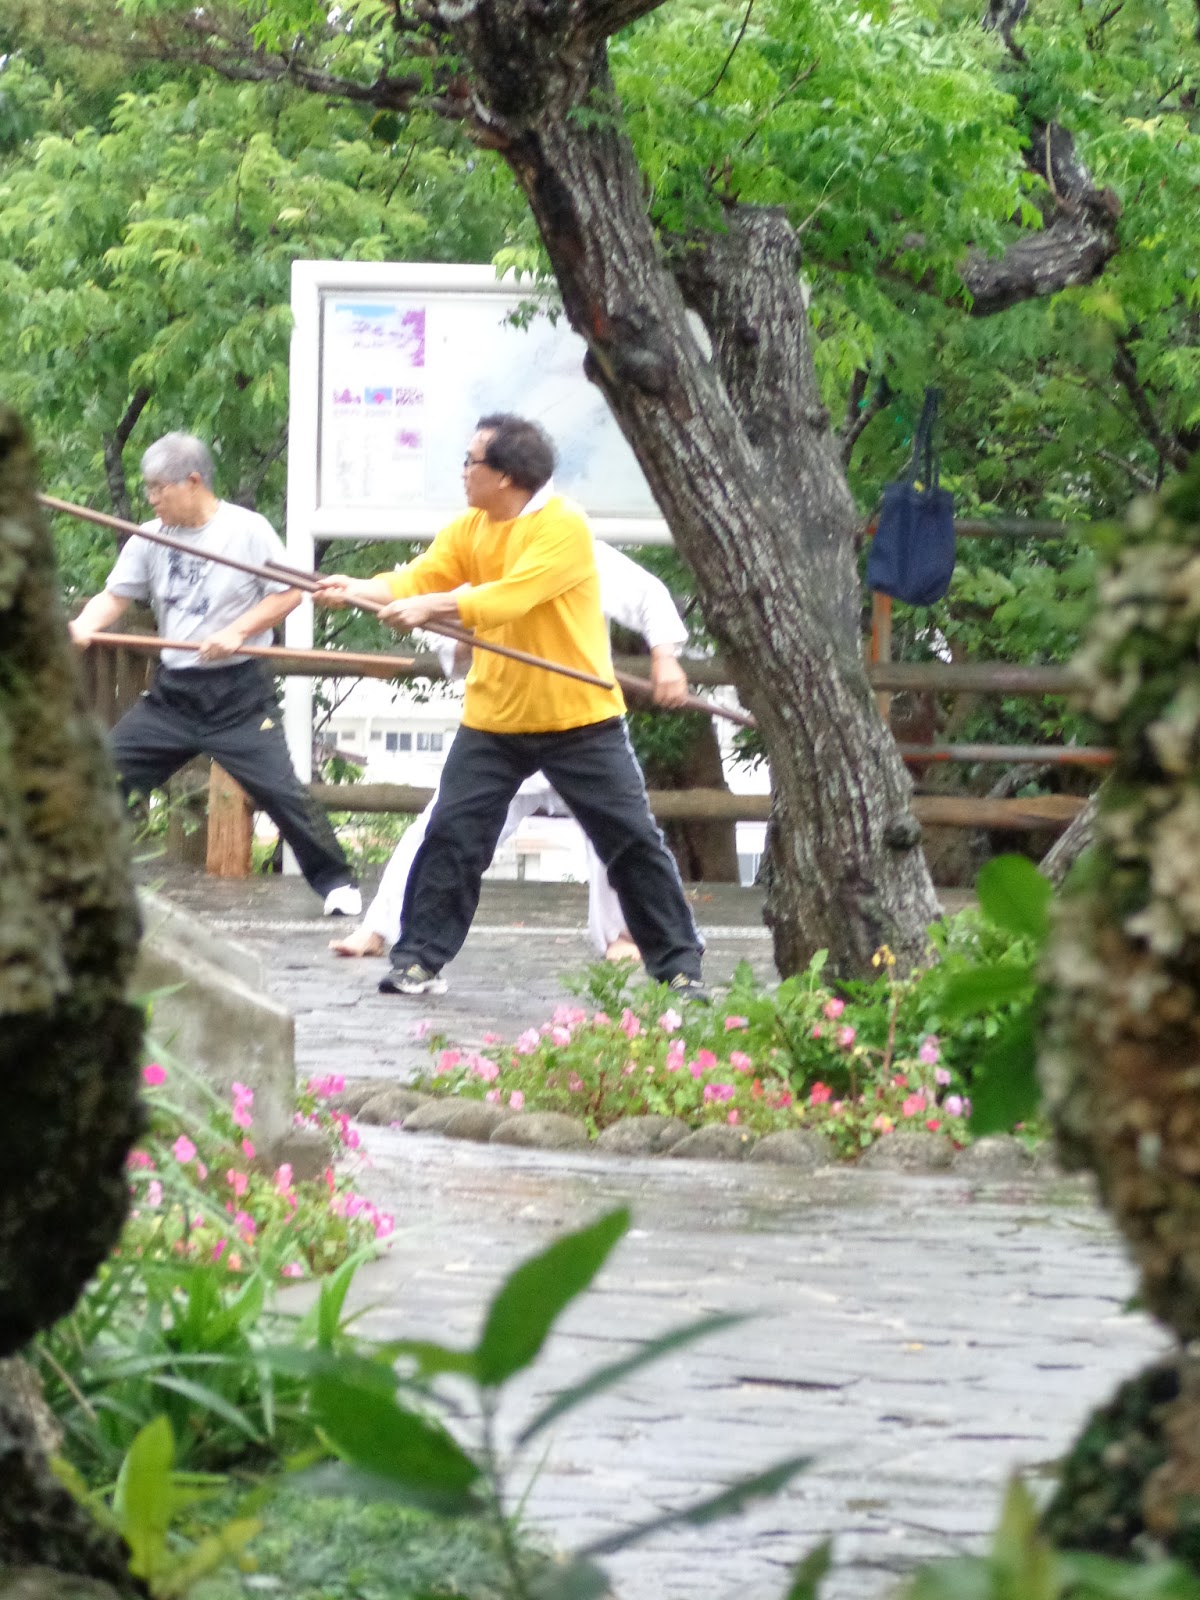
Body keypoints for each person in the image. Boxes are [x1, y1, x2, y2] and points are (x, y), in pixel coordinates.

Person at [315, 412, 707, 999]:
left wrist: (433, 610)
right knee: (452, 833)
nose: (464, 473)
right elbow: (417, 579)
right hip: (495, 718)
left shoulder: (562, 527)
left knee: (629, 838)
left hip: (580, 718)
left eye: (471, 462)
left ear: (506, 477)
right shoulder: (472, 525)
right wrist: (355, 589)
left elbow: (509, 599)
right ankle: (419, 959)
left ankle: (678, 966)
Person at [328, 538, 692, 962]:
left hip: (579, 727)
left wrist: (665, 658)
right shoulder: (473, 550)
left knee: (619, 833)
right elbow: (419, 599)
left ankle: (626, 935)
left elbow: (649, 597)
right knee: (441, 827)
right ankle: (380, 927)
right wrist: (362, 591)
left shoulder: (570, 544)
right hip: (503, 729)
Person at [69, 431, 361, 916]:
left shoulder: (246, 530)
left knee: (282, 792)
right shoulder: (150, 536)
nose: (152, 498)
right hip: (173, 696)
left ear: (193, 481)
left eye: (159, 488)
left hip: (238, 696)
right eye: (148, 489)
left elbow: (289, 592)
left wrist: (238, 631)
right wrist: (83, 626)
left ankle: (337, 884)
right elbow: (116, 595)